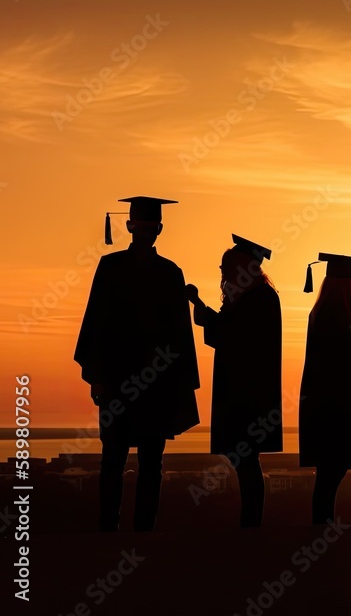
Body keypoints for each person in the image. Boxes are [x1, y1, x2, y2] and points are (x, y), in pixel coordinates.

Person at [75, 196, 200, 532]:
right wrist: (97, 377)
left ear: (159, 229)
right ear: (130, 226)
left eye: (151, 227)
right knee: (113, 458)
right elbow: (96, 323)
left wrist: (180, 384)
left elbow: (179, 334)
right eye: (140, 226)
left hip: (156, 385)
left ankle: (144, 528)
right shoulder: (111, 267)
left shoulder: (170, 273)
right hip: (117, 380)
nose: (146, 231)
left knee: (150, 462)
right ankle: (109, 526)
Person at [187, 234, 282, 528]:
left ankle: (251, 523)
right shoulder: (250, 297)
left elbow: (234, 336)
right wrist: (203, 309)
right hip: (241, 389)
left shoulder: (260, 298)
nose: (225, 276)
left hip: (249, 393)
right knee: (244, 459)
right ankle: (250, 521)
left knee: (246, 458)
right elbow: (227, 331)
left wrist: (203, 311)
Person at [299, 253, 351, 524]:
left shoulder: (322, 312)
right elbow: (345, 358)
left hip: (324, 406)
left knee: (328, 475)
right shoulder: (337, 316)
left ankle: (321, 523)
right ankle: (322, 526)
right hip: (336, 409)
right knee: (331, 474)